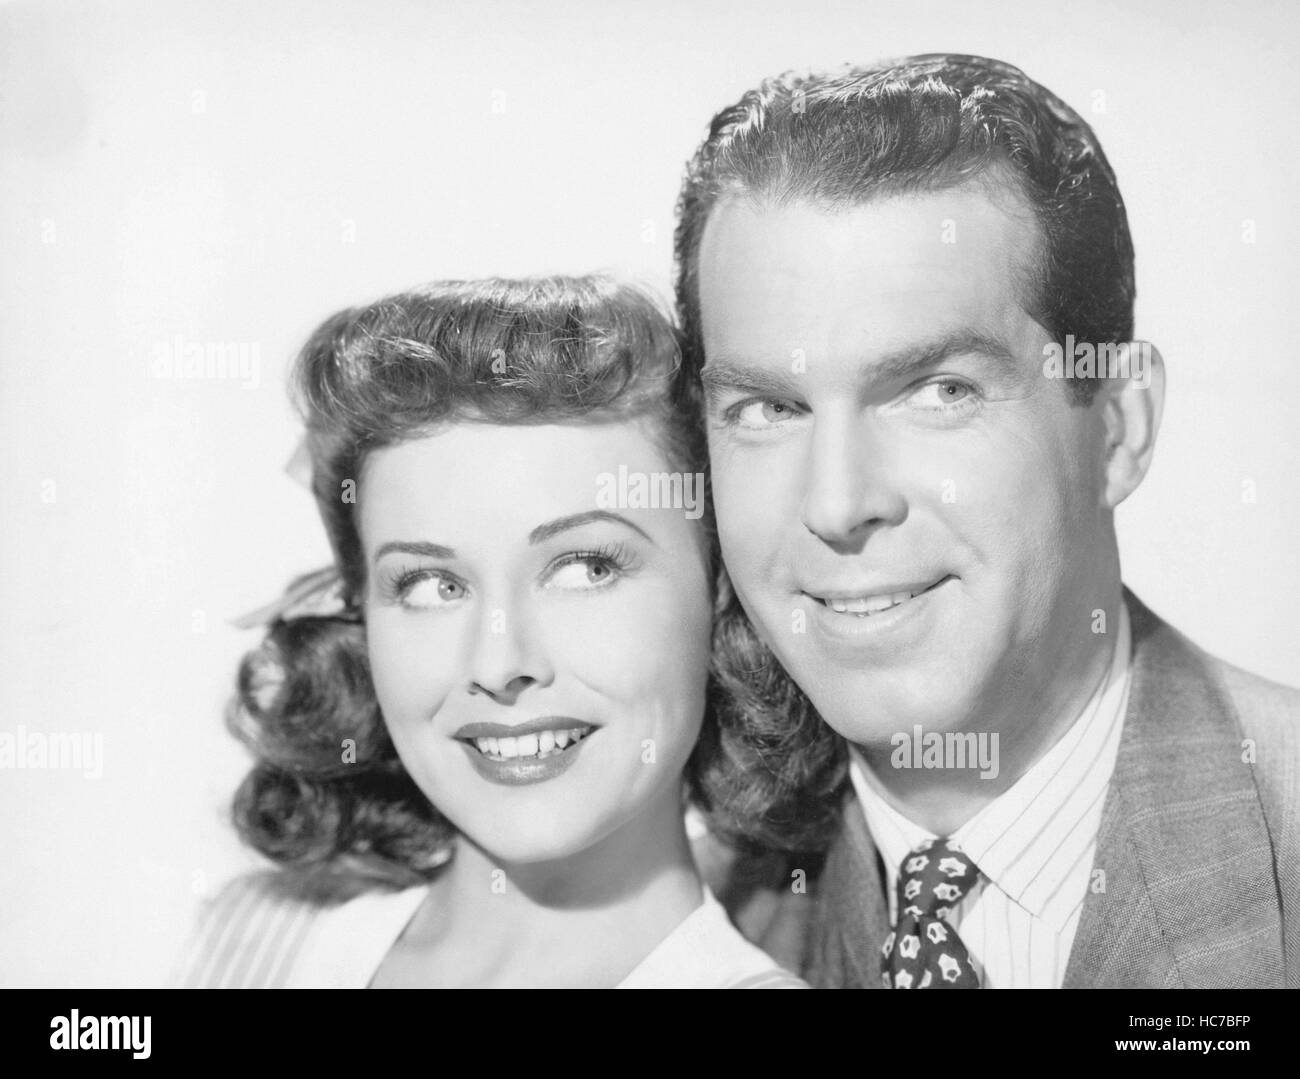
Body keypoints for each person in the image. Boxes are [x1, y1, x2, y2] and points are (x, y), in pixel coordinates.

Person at [675, 54, 1300, 988]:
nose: (839, 505)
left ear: (1119, 428)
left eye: (938, 390)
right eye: (769, 409)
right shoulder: (698, 928)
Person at [178, 275, 805, 988]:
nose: (500, 661)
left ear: (718, 586)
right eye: (431, 585)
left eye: (584, 567)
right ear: (360, 615)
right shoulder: (256, 935)